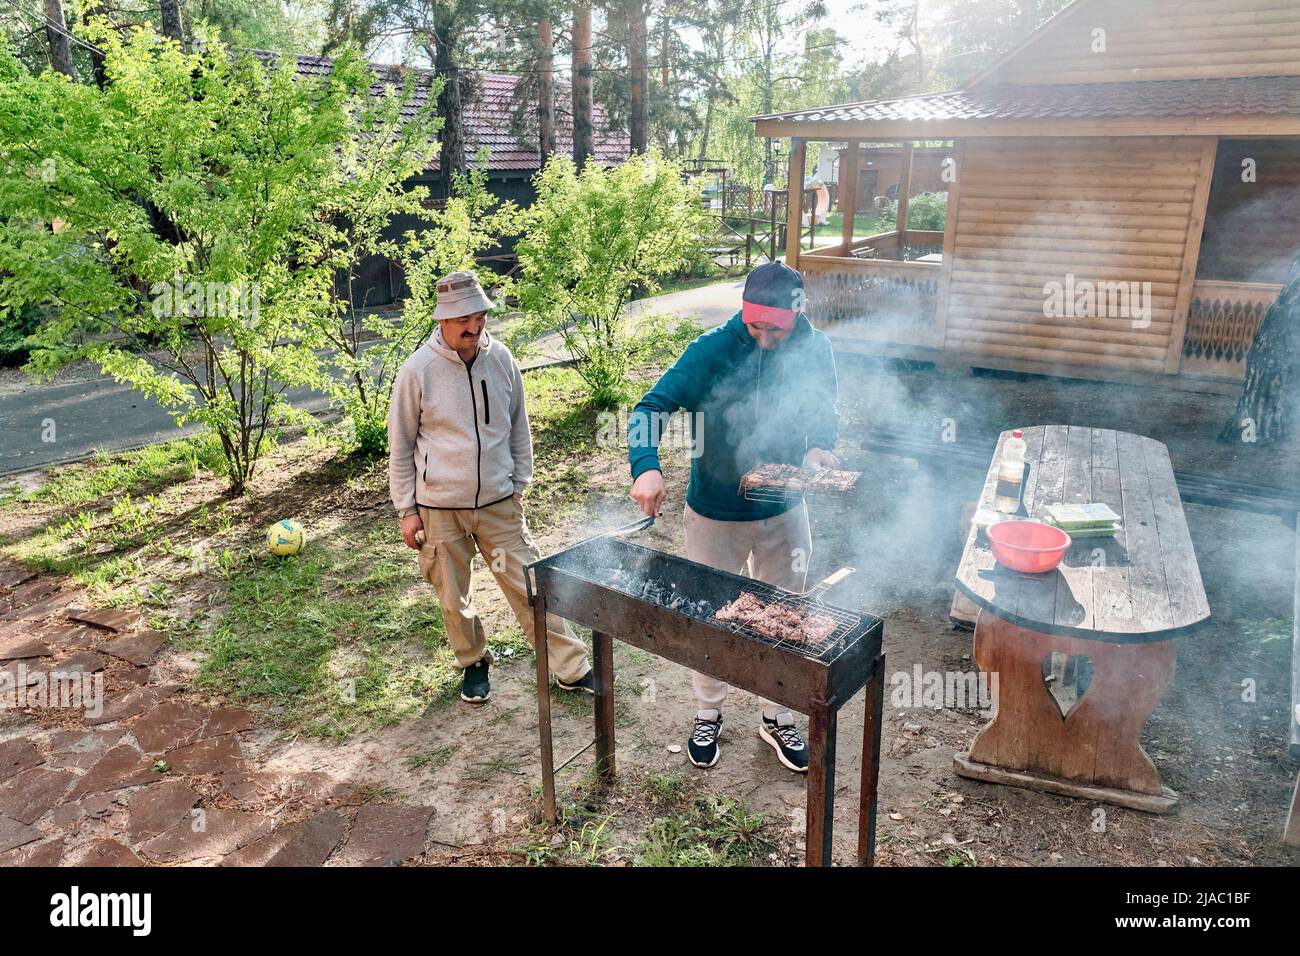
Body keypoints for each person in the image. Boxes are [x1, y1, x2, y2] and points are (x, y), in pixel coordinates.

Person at [627, 261, 839, 772]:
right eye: (754, 326)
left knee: (787, 619)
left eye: (776, 329)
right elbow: (649, 408)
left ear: (796, 317)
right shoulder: (711, 350)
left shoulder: (816, 349)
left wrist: (820, 451)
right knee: (710, 614)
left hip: (785, 513)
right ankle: (708, 712)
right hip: (714, 512)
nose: (764, 337)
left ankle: (777, 716)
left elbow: (824, 413)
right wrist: (646, 467)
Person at [388, 270, 593, 704]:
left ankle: (570, 667)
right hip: (438, 508)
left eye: (480, 316)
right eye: (464, 318)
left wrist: (520, 483)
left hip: (500, 503)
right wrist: (407, 510)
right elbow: (401, 445)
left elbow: (519, 424)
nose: (474, 327)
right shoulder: (417, 371)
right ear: (442, 319)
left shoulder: (501, 359)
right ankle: (474, 662)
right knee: (453, 595)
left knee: (530, 584)